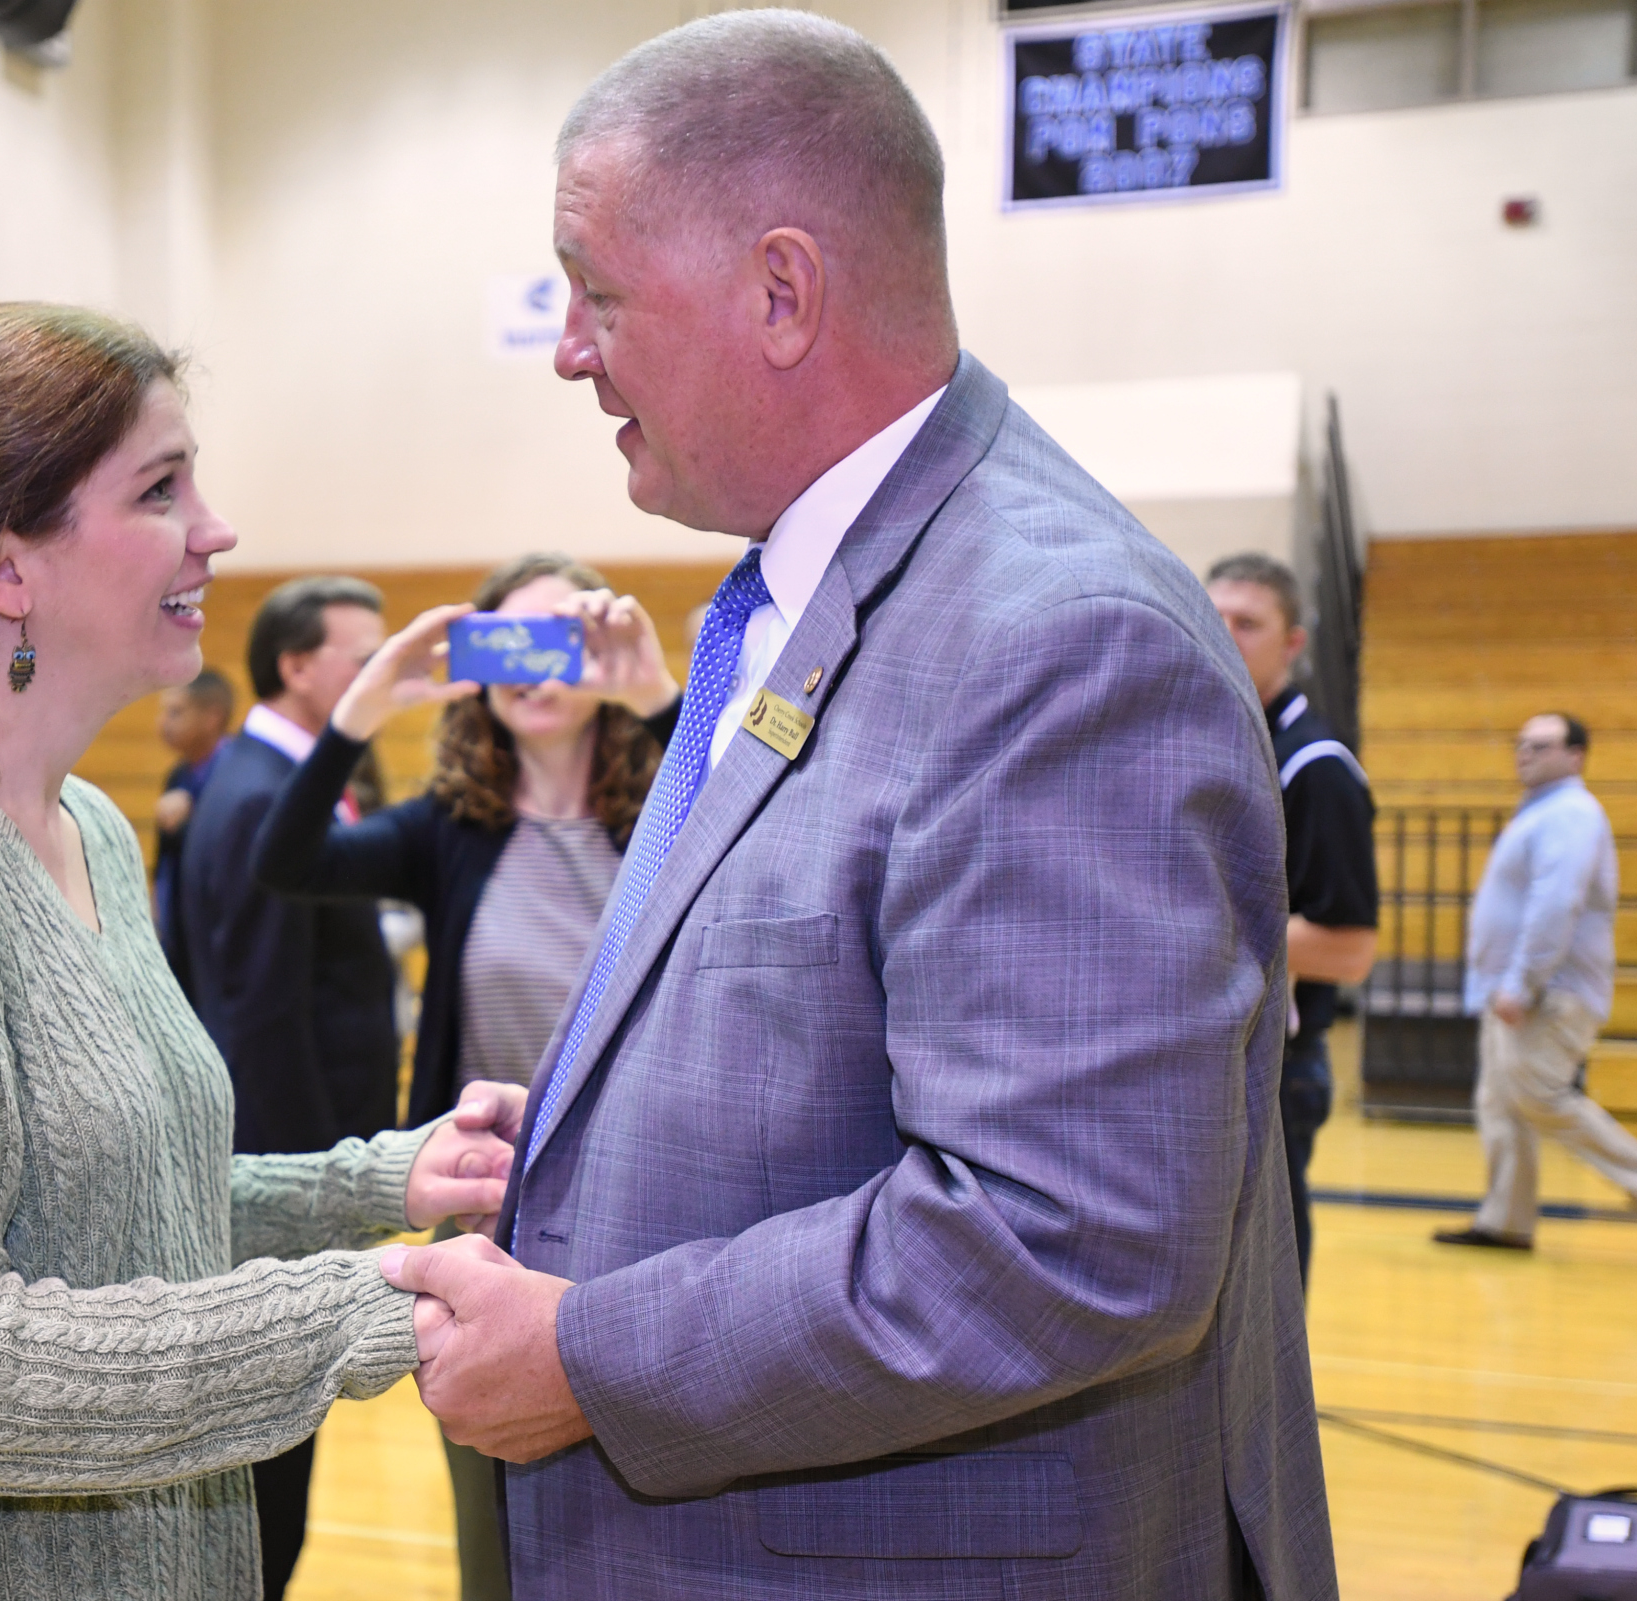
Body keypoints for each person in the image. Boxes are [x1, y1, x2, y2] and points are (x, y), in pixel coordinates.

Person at [376, 15, 1334, 1598]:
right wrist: (587, 1138)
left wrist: (589, 1351)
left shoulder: (1055, 641)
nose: (566, 347)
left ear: (780, 291)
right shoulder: (809, 598)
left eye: (597, 291)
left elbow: (1068, 1234)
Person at [0, 302, 522, 1601]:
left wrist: (389, 1181)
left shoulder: (82, 823)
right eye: (159, 489)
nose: (216, 529)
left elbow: (118, 1211)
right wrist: (370, 1309)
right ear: (3, 565)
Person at [251, 552, 680, 1601]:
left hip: (656, 1215)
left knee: (663, 1526)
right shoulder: (448, 831)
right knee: (496, 1543)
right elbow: (287, 858)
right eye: (512, 642)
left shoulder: (677, 816)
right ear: (479, 668)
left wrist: (665, 698)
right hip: (491, 1230)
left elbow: (785, 821)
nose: (536, 668)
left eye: (562, 639)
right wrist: (365, 701)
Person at [176, 573, 402, 1599]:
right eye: (363, 656)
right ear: (296, 664)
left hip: (275, 1151)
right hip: (282, 1162)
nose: (381, 673)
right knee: (271, 1473)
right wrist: (323, 1194)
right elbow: (262, 1017)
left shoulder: (265, 775)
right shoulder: (264, 792)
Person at [1208, 554, 1378, 1286]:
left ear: (1294, 642)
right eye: (1214, 617)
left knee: (1264, 1278)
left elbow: (1349, 949)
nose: (1227, 634)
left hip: (1281, 1061)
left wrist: (1193, 935)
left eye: (1248, 622)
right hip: (1225, 1048)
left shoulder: (1316, 764)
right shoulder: (1221, 734)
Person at [1433, 714, 1637, 1255]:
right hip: (1511, 989)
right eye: (1521, 744)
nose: (1525, 753)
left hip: (1544, 993)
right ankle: (1506, 1220)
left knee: (1539, 1095)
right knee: (1501, 1103)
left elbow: (1557, 903)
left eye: (1541, 745)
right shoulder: (1540, 813)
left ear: (1576, 755)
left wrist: (1523, 982)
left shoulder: (1571, 814)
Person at [151, 668, 234, 992]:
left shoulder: (234, 777)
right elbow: (164, 866)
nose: (163, 723)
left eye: (176, 712)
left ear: (212, 716)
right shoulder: (177, 777)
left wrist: (193, 821)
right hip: (182, 939)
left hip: (221, 945)